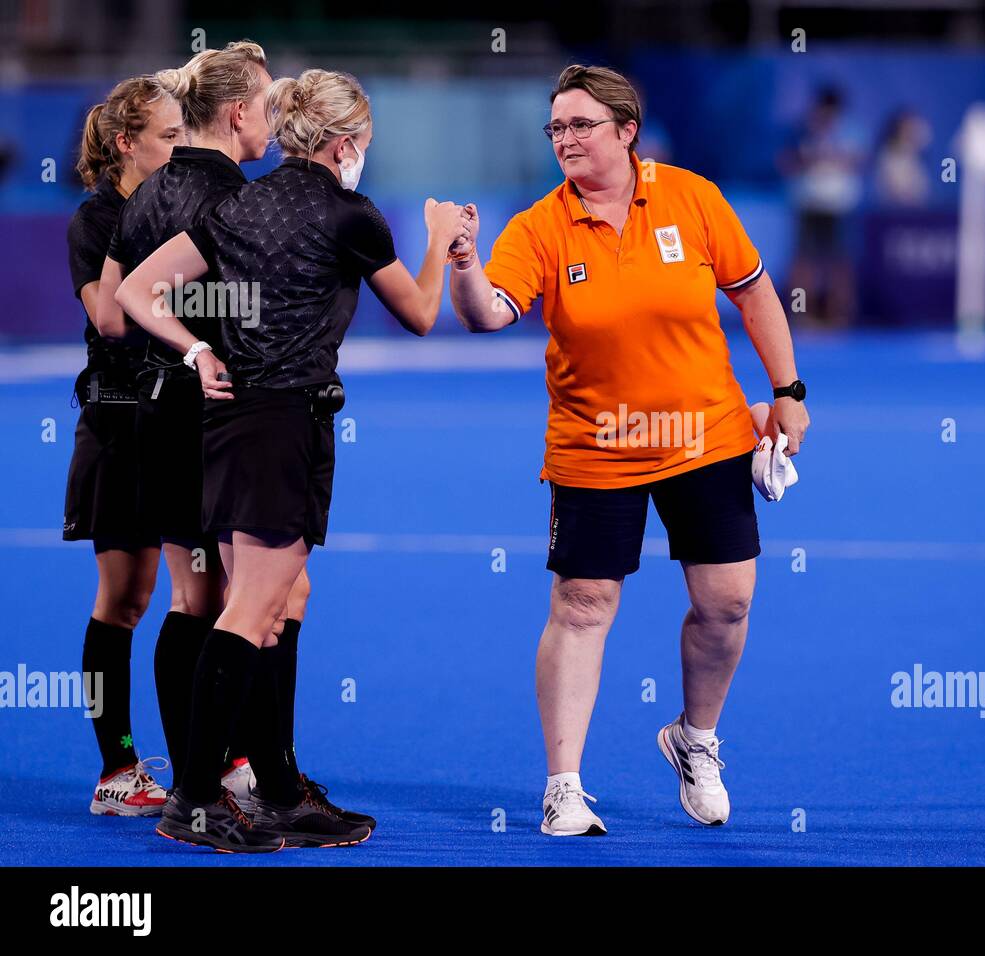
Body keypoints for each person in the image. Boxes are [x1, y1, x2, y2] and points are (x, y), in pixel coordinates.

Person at [448, 64, 811, 836]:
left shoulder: (692, 197)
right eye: (556, 128)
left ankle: (695, 738)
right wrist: (464, 267)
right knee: (583, 607)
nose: (566, 140)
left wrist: (789, 390)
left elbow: (751, 292)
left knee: (728, 603)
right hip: (596, 446)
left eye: (581, 125)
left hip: (705, 436)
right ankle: (564, 787)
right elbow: (488, 314)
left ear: (625, 129)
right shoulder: (541, 225)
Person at [116, 67, 469, 851]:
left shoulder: (239, 202)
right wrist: (441, 243)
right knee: (251, 611)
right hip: (287, 428)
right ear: (345, 143)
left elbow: (139, 294)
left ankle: (276, 792)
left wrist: (196, 349)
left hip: (232, 427)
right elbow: (417, 314)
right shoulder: (354, 216)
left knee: (279, 603)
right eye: (364, 144)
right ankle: (198, 802)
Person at [94, 41, 304, 809]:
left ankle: (198, 777)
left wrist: (172, 342)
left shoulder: (145, 194)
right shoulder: (236, 201)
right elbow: (250, 313)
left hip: (155, 412)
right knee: (271, 598)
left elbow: (118, 303)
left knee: (195, 600)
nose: (276, 123)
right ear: (239, 112)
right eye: (269, 108)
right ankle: (247, 777)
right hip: (221, 416)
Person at [64, 73, 184, 815]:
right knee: (125, 599)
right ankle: (119, 770)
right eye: (169, 136)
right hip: (118, 426)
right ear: (125, 142)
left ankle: (222, 760)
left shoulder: (184, 208)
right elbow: (111, 317)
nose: (179, 148)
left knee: (210, 590)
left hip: (185, 422)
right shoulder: (95, 219)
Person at [782, 86, 867, 326]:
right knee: (804, 260)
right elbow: (786, 163)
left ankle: (838, 315)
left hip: (839, 206)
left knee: (839, 262)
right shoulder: (802, 130)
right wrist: (809, 156)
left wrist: (834, 154)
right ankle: (801, 314)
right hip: (809, 204)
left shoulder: (851, 132)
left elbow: (859, 163)